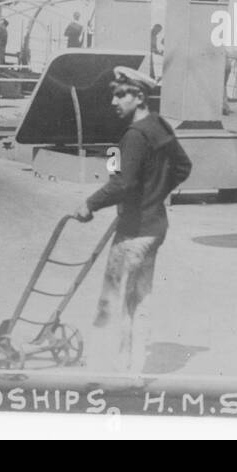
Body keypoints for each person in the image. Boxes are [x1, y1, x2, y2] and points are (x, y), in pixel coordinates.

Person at [74, 67, 191, 373]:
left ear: (139, 96)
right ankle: (134, 371)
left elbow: (122, 184)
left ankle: (102, 370)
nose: (114, 100)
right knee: (140, 300)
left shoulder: (134, 136)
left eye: (120, 94)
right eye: (114, 93)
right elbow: (183, 166)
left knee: (112, 300)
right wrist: (155, 192)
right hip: (154, 229)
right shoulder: (159, 125)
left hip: (133, 231)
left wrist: (90, 204)